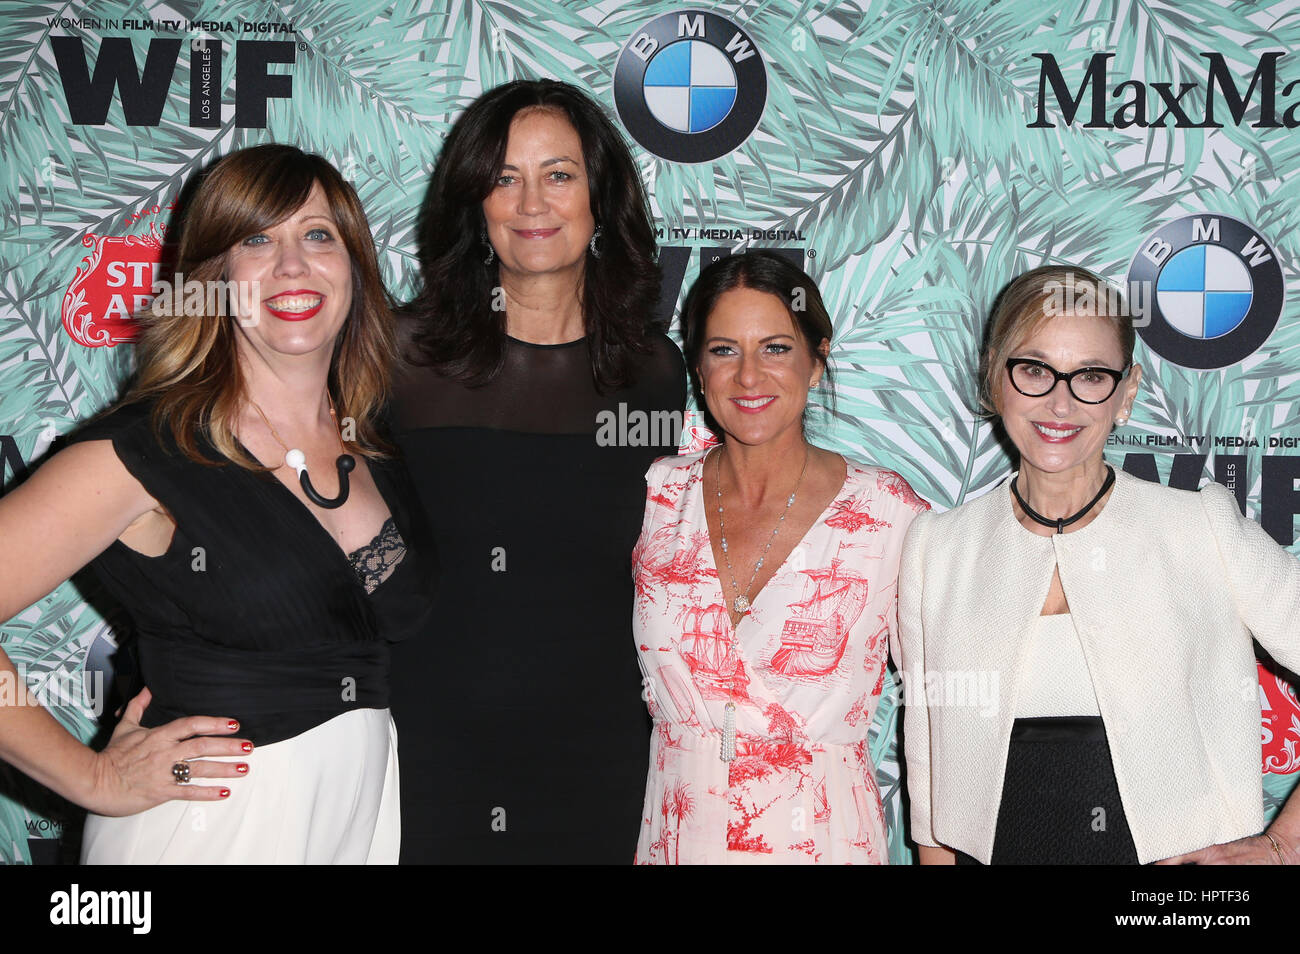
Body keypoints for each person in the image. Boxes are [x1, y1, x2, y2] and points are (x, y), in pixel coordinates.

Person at [1, 143, 436, 863]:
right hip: (208, 829)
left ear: (355, 268)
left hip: (353, 821)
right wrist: (92, 776)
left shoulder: (376, 446)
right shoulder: (145, 451)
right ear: (214, 277)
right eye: (255, 239)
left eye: (318, 235)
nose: (292, 264)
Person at [899, 264, 1300, 865]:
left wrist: (1282, 846)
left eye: (1090, 375)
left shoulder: (1199, 529)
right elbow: (929, 772)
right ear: (995, 377)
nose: (1059, 402)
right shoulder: (938, 548)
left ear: (1126, 392)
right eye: (1033, 369)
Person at [389, 79, 685, 863]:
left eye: (558, 174)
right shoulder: (397, 357)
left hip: (600, 751)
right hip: (424, 745)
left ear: (600, 199)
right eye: (503, 177)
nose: (531, 203)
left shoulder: (653, 372)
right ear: (473, 203)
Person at [631, 251, 928, 864]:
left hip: (821, 840)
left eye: (775, 348)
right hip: (679, 838)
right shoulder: (657, 496)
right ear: (696, 368)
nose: (748, 376)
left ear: (818, 360)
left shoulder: (887, 513)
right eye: (723, 350)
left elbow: (939, 714)